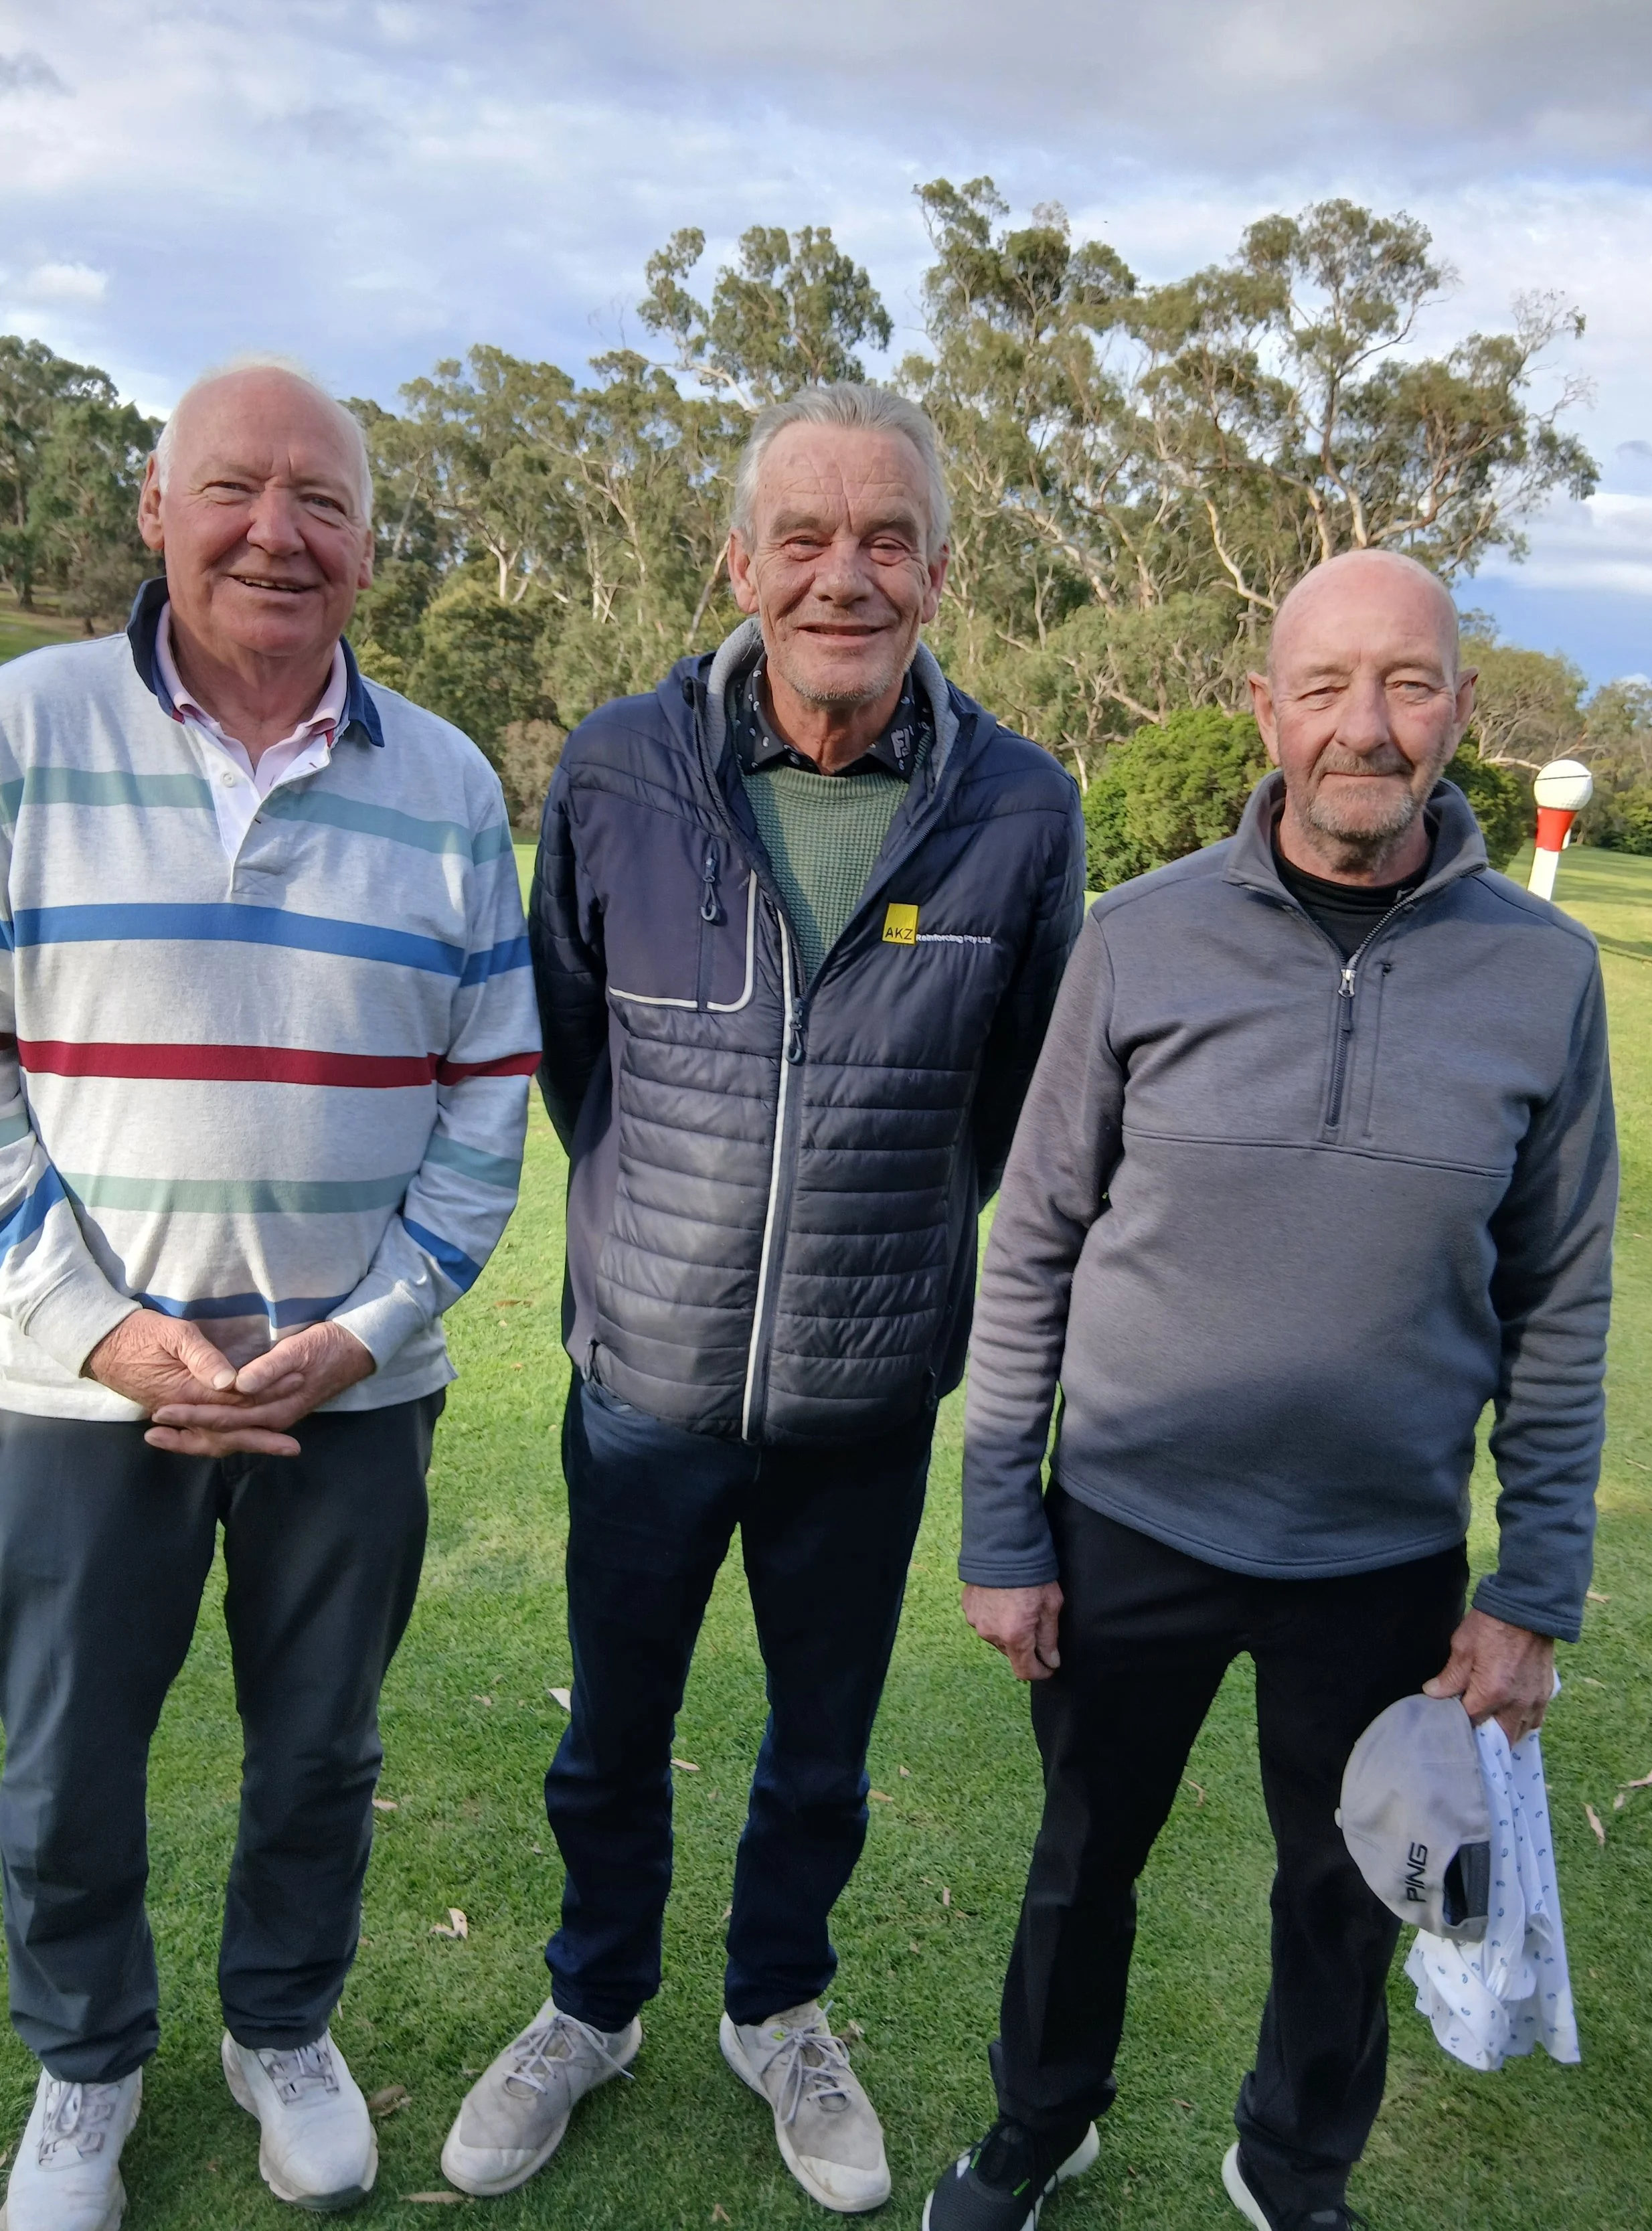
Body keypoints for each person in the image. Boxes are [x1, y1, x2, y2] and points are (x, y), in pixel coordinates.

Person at [442, 382, 1084, 2212]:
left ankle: (775, 2005)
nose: (841, 574)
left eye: (884, 537)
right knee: (609, 1736)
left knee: (820, 1752)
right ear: (738, 561)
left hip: (866, 1400)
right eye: (802, 535)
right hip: (640, 1375)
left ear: (939, 572)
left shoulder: (1022, 809)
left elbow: (1022, 1112)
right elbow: (571, 1065)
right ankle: (589, 2000)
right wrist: (666, 1238)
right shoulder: (615, 771)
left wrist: (876, 1255)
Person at [925, 550, 1616, 2231]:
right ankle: (1040, 2124)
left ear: (1459, 705)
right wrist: (1001, 1524)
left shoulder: (1541, 977)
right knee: (1085, 1859)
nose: (1362, 728)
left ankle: (1289, 2163)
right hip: (1127, 1526)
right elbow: (1031, 1249)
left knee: (1347, 1888)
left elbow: (1561, 1300)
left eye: (1404, 684)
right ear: (1264, 708)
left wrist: (1530, 1587)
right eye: (1323, 686)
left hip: (1378, 1557)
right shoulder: (1136, 939)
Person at [0, 359, 538, 2228]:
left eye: (320, 500)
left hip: (353, 1389)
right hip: (79, 1390)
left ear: (371, 548)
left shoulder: (453, 780)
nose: (274, 529)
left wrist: (366, 1326)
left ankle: (281, 2026)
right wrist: (94, 1322)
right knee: (68, 1756)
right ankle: (85, 2067)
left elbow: (489, 1099)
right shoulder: (26, 728)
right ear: (155, 509)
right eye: (233, 486)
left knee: (320, 1741)